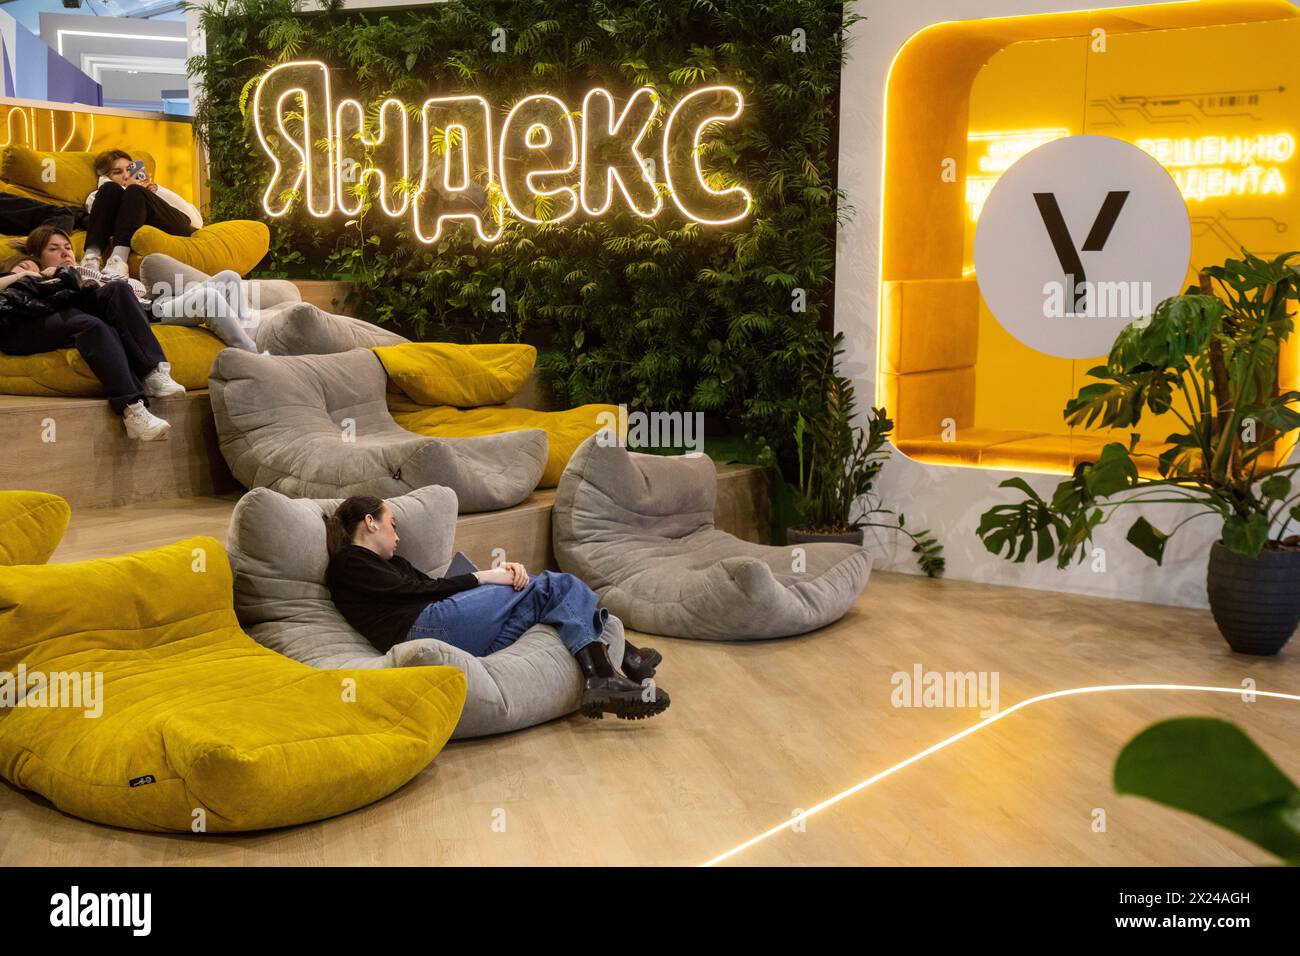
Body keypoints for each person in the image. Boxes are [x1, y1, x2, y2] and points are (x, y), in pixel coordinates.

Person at [324, 496, 670, 721]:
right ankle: (609, 672)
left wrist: (499, 577)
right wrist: (485, 576)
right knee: (555, 584)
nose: (397, 535)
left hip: (453, 630)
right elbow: (419, 591)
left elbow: (424, 587)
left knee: (541, 593)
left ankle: (621, 663)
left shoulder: (392, 562)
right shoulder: (349, 562)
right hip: (424, 626)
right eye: (392, 524)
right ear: (370, 522)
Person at [0, 225, 183, 440]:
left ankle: (153, 373)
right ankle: (132, 409)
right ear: (35, 255)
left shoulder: (66, 275)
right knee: (90, 324)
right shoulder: (20, 271)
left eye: (67, 247)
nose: (64, 252)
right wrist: (25, 275)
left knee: (117, 291)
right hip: (19, 326)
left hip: (53, 312)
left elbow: (127, 289)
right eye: (53, 248)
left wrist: (79, 279)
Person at [81, 149, 202, 279]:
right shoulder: (99, 195)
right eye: (118, 172)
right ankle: (91, 260)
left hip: (175, 225)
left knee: (135, 192)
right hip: (135, 218)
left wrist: (157, 190)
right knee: (119, 190)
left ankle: (119, 260)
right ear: (105, 177)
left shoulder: (150, 191)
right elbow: (103, 220)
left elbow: (196, 221)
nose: (126, 176)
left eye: (129, 170)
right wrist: (125, 188)